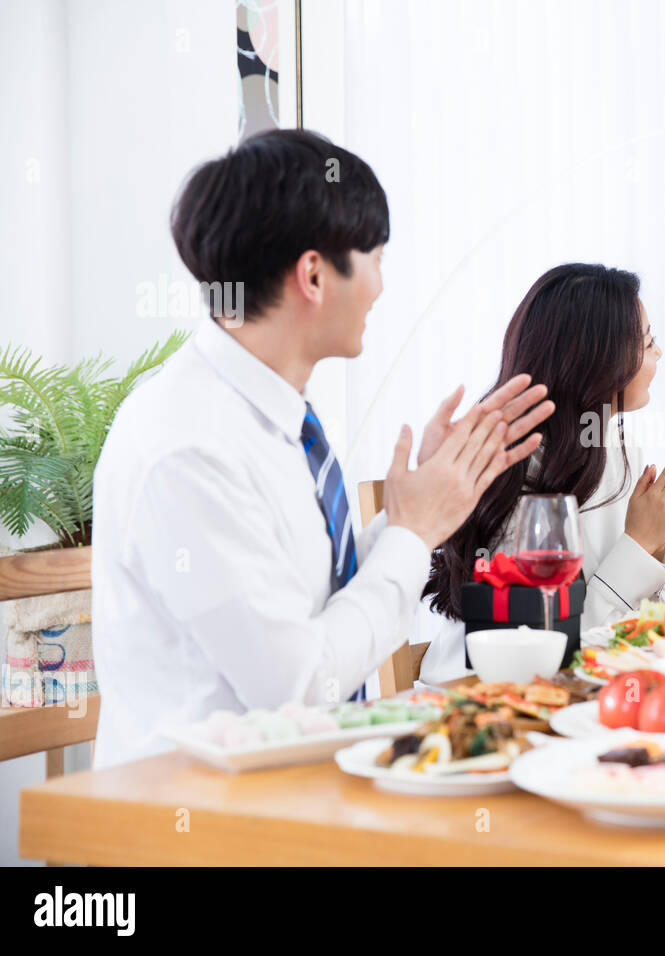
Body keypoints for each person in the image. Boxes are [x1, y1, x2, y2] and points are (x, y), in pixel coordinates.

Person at [91, 129, 552, 768]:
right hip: (196, 821)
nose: (383, 287)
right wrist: (412, 535)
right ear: (313, 274)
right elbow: (298, 685)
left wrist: (417, 509)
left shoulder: (274, 415)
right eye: (377, 259)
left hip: (291, 789)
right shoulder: (189, 444)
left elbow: (308, 600)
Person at [419, 263, 665, 683]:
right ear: (597, 361)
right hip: (481, 697)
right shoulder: (512, 467)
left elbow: (628, 635)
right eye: (647, 341)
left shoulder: (615, 448)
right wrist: (641, 545)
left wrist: (654, 544)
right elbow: (542, 662)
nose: (658, 353)